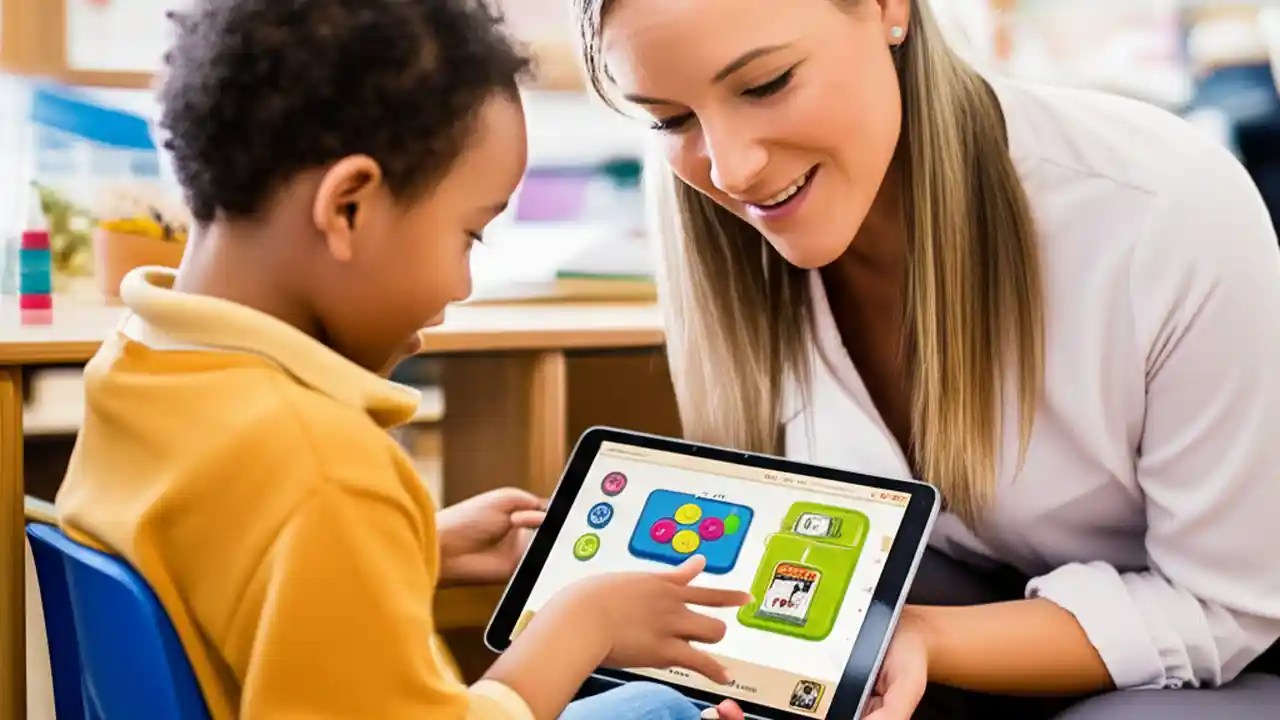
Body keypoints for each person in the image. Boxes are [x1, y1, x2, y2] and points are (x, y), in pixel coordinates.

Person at [570, 0, 1280, 717]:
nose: (732, 169)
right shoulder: (703, 226)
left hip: (1219, 658)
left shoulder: (1162, 210)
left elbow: (1227, 611)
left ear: (886, 8)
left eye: (767, 84)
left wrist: (925, 637)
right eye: (671, 119)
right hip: (956, 619)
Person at [53, 1, 751, 718]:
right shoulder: (326, 468)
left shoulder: (140, 363)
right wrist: (584, 626)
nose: (463, 285)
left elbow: (207, 560)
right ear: (349, 208)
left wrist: (421, 548)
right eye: (469, 235)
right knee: (658, 709)